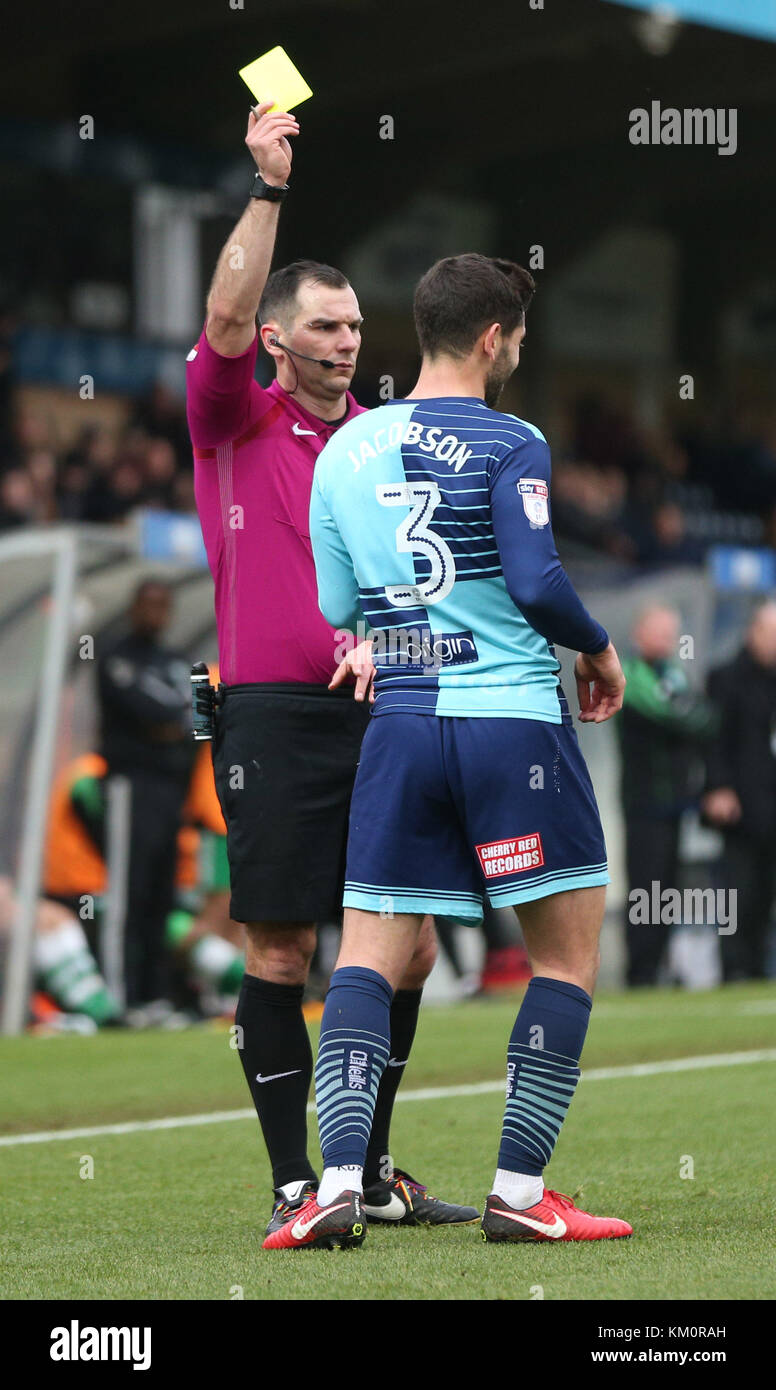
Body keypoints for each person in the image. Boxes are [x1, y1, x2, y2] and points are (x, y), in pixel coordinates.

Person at [265, 251, 633, 1251]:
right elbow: (537, 578)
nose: (514, 350)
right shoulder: (511, 438)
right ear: (489, 338)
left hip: (399, 728)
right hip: (507, 720)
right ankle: (518, 1192)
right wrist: (599, 650)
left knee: (365, 959)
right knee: (561, 959)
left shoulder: (342, 451)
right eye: (514, 337)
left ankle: (336, 1181)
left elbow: (336, 606)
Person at [186, 101, 474, 1235]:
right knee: (283, 943)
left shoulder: (382, 441)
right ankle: (293, 1182)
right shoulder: (230, 420)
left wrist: (389, 645)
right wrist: (267, 186)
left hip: (380, 707)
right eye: (325, 327)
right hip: (269, 717)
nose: (347, 342)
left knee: (407, 942)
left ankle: (371, 1168)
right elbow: (218, 310)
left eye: (356, 326)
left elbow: (411, 584)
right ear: (276, 338)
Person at [97, 578, 194, 1007]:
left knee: (161, 893)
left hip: (172, 792)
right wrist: (176, 725)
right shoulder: (117, 656)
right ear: (134, 607)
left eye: (163, 605)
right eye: (148, 604)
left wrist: (176, 727)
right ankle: (122, 995)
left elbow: (196, 716)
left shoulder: (175, 659)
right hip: (129, 791)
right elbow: (152, 714)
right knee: (128, 893)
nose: (156, 613)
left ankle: (155, 997)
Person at [618, 605, 716, 986]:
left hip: (677, 802)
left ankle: (660, 964)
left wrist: (688, 714)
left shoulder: (672, 673)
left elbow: (706, 719)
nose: (667, 640)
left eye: (671, 632)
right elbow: (672, 715)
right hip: (644, 801)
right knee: (645, 885)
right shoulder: (630, 672)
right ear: (640, 633)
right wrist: (687, 714)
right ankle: (639, 970)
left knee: (668, 887)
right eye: (660, 632)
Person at [702, 601, 776, 981]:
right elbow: (713, 740)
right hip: (740, 807)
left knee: (765, 894)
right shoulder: (726, 677)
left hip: (772, 806)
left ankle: (760, 968)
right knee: (738, 892)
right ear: (754, 632)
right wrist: (718, 787)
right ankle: (733, 969)